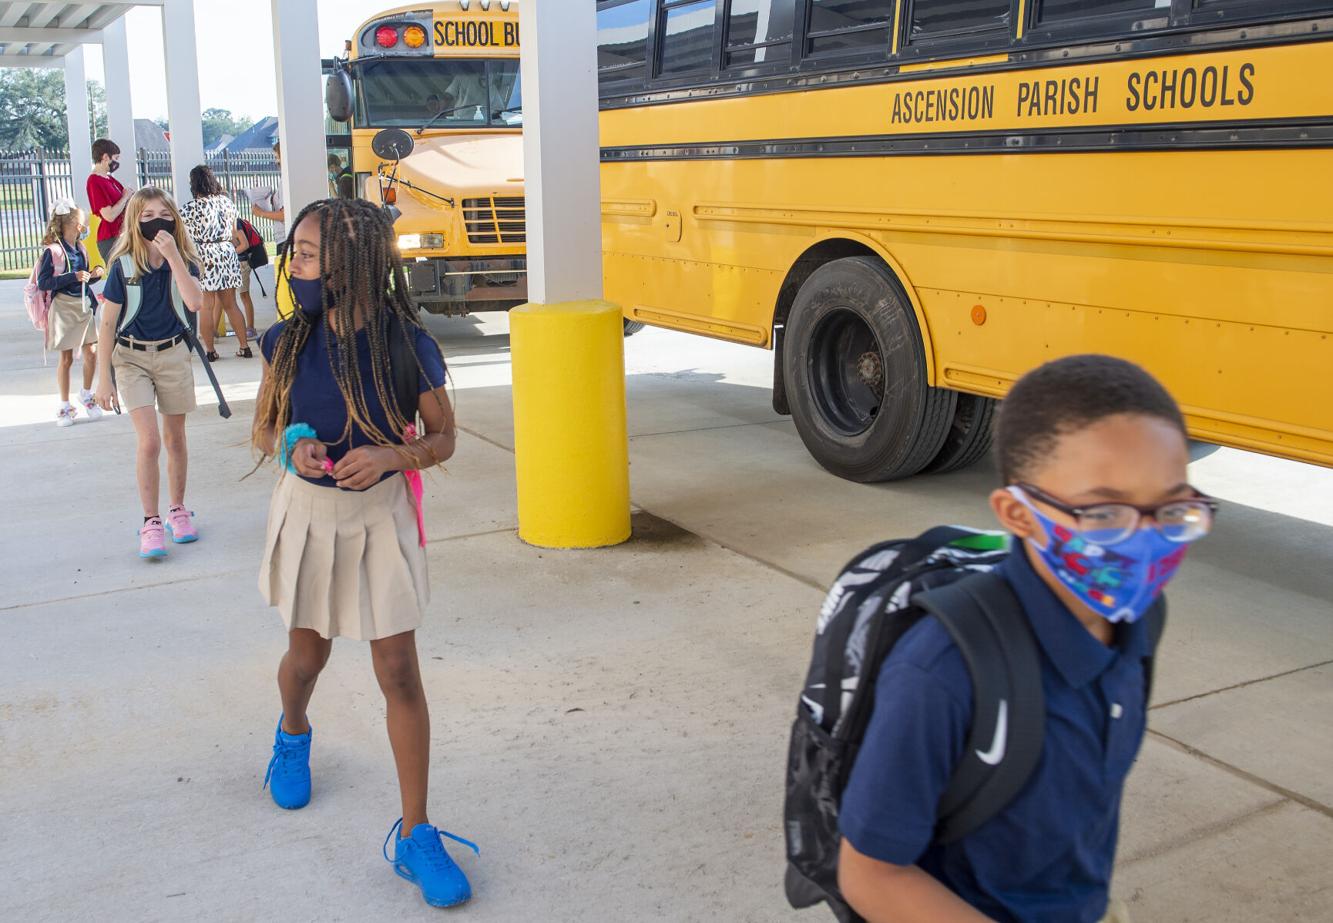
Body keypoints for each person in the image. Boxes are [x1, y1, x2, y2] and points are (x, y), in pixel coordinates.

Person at [837, 355, 1217, 923]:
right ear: (1018, 514)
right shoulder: (942, 672)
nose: (1147, 542)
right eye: (1105, 514)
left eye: (1172, 508)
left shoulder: (1140, 618)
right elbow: (871, 874)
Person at [250, 198, 469, 909]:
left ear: (349, 267)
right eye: (295, 253)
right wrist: (292, 445)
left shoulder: (408, 344)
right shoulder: (286, 341)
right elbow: (263, 428)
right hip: (309, 515)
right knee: (306, 658)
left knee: (399, 671)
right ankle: (292, 732)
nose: (295, 265)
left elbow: (443, 437)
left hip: (380, 516)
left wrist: (390, 455)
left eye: (308, 255)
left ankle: (416, 833)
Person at [94, 188, 205, 559]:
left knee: (175, 438)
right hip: (132, 358)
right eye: (147, 216)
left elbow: (195, 302)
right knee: (150, 442)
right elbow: (107, 324)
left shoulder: (184, 260)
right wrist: (103, 377)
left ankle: (177, 510)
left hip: (173, 354)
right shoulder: (123, 266)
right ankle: (151, 521)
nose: (157, 221)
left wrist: (173, 257)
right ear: (134, 222)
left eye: (164, 214)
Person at [37, 199, 103, 427]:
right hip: (63, 307)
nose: (85, 227)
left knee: (91, 353)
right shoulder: (53, 252)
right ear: (75, 225)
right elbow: (44, 282)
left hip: (82, 304)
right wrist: (72, 277)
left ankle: (86, 393)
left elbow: (83, 278)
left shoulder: (81, 249)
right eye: (83, 223)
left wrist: (94, 274)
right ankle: (64, 405)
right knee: (66, 359)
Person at [181, 164, 250, 360]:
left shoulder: (192, 207)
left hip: (205, 254)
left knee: (207, 306)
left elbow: (178, 227)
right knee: (231, 304)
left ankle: (210, 351)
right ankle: (244, 347)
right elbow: (234, 231)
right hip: (227, 252)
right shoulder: (227, 203)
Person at [86, 138, 132, 265]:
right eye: (115, 158)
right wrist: (125, 197)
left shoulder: (110, 180)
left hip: (121, 235)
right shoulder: (94, 181)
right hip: (110, 239)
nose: (117, 162)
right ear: (105, 157)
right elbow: (109, 215)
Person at [251, 141, 286, 252]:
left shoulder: (286, 181)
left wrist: (261, 213)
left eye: (277, 157)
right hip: (283, 237)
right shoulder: (284, 180)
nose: (276, 161)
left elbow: (284, 215)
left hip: (285, 238)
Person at [233, 218, 258, 339]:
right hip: (230, 263)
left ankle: (250, 327)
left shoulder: (234, 222)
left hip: (241, 263)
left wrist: (228, 253)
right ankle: (214, 330)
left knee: (244, 295)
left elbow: (244, 244)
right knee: (223, 298)